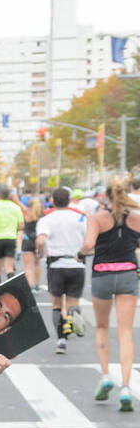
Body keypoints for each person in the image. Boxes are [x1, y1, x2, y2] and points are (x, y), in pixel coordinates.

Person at [81, 175, 140, 410]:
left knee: (103, 327)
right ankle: (125, 387)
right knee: (125, 331)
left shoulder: (97, 218)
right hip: (128, 274)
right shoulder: (136, 218)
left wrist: (80, 252)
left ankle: (105, 375)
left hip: (102, 275)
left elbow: (88, 245)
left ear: (105, 196)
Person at [36, 187, 88, 354]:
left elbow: (41, 240)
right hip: (77, 264)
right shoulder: (80, 218)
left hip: (56, 265)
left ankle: (61, 341)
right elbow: (89, 241)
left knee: (57, 304)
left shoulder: (47, 219)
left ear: (53, 200)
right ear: (70, 200)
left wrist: (40, 252)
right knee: (73, 302)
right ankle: (73, 318)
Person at [21, 194, 44, 291]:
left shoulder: (27, 214)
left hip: (27, 241)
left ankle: (30, 285)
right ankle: (37, 284)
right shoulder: (42, 215)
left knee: (28, 266)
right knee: (37, 263)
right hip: (38, 241)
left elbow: (20, 205)